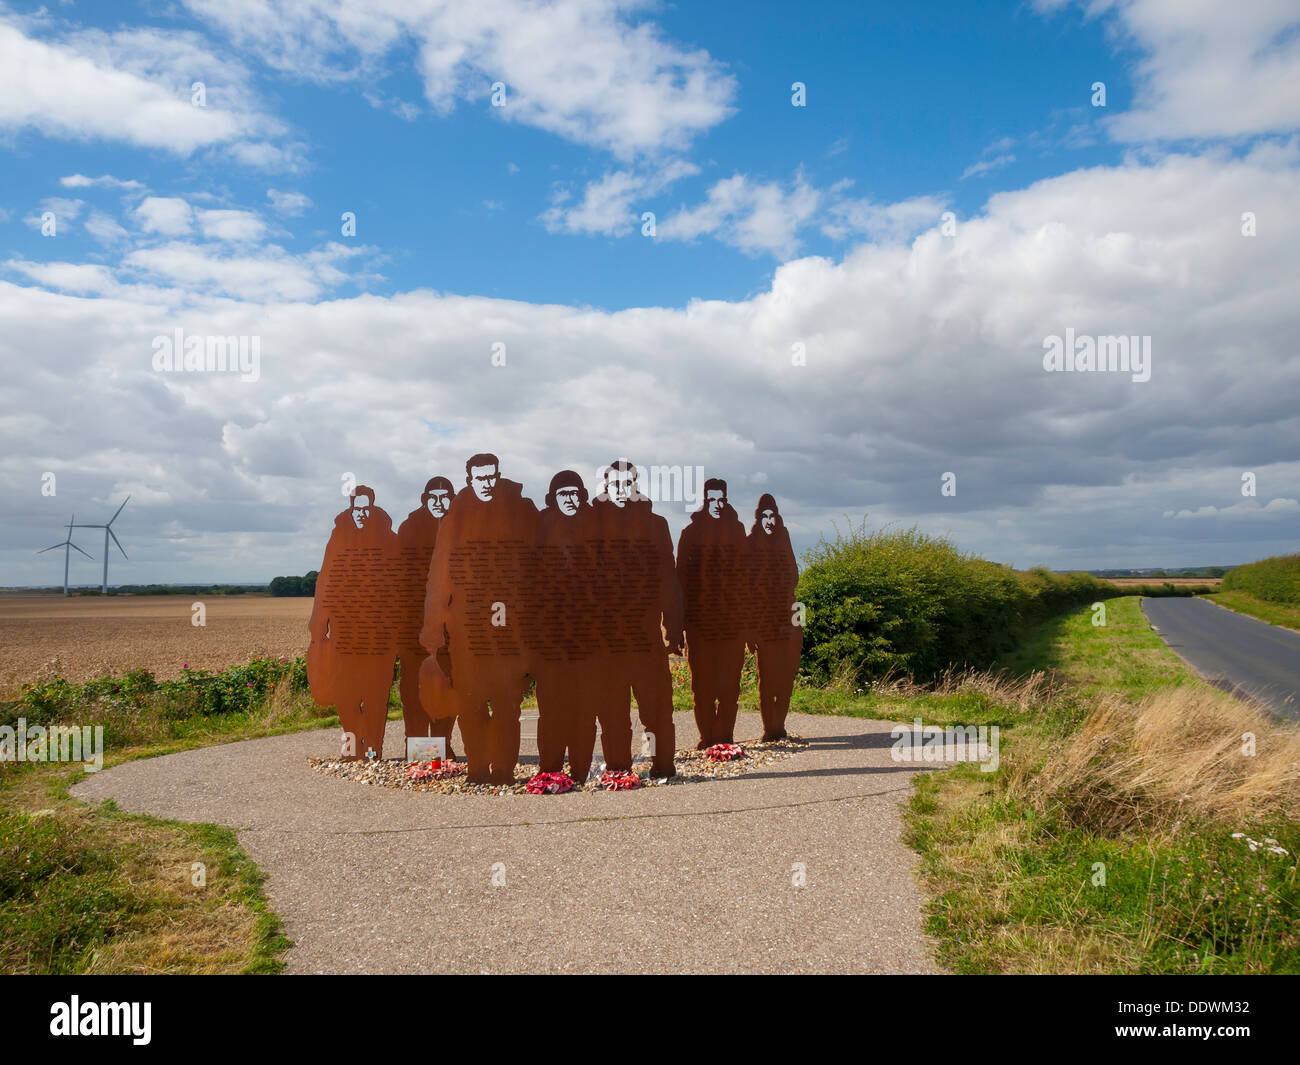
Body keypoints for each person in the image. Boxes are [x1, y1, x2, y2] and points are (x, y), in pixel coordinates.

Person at [422, 454, 538, 784]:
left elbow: (535, 567)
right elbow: (439, 575)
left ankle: (502, 770)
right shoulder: (456, 517)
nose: (486, 484)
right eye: (479, 478)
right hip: (468, 628)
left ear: (497, 476)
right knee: (470, 702)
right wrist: (434, 627)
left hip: (509, 630)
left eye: (491, 477)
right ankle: (477, 768)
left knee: (506, 704)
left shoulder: (519, 512)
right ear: (469, 479)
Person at [589, 459, 682, 778]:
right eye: (614, 484)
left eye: (626, 484)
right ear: (605, 485)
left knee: (655, 709)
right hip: (606, 639)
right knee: (612, 709)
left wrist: (673, 628)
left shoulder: (655, 525)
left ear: (635, 485)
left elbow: (668, 580)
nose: (620, 490)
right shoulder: (591, 525)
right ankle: (617, 767)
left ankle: (660, 764)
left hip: (645, 637)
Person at [308, 485, 398, 760]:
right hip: (345, 633)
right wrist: (318, 625)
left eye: (366, 509)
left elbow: (400, 587)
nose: (361, 514)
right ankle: (352, 747)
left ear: (373, 508)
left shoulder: (389, 541)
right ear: (351, 508)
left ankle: (372, 749)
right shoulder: (338, 540)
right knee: (346, 695)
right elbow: (324, 581)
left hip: (379, 636)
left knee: (375, 696)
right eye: (356, 509)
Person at [528, 470, 603, 781]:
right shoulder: (540, 530)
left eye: (575, 493)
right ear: (552, 498)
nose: (570, 500)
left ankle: (582, 769)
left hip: (587, 639)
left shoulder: (594, 528)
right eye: (563, 494)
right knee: (552, 708)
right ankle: (551, 769)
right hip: (550, 639)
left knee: (585, 709)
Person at [676, 477, 748, 747]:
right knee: (702, 687)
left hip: (732, 623)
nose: (717, 505)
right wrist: (680, 623)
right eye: (712, 500)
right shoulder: (691, 533)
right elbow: (680, 578)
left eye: (722, 500)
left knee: (730, 686)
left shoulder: (737, 530)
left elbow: (746, 574)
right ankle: (707, 737)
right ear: (704, 501)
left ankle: (726, 736)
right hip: (700, 625)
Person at [395, 476, 457, 755]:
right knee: (413, 690)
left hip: (449, 632)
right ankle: (419, 748)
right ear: (425, 499)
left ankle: (442, 745)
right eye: (433, 497)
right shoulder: (409, 528)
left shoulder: (459, 529)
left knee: (447, 687)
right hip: (413, 629)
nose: (439, 503)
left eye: (445, 497)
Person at [746, 494, 801, 742]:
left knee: (786, 674)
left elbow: (793, 575)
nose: (769, 521)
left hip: (786, 617)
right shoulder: (750, 544)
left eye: (772, 516)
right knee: (767, 677)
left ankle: (780, 725)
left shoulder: (784, 540)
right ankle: (770, 727)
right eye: (764, 517)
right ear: (759, 519)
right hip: (763, 621)